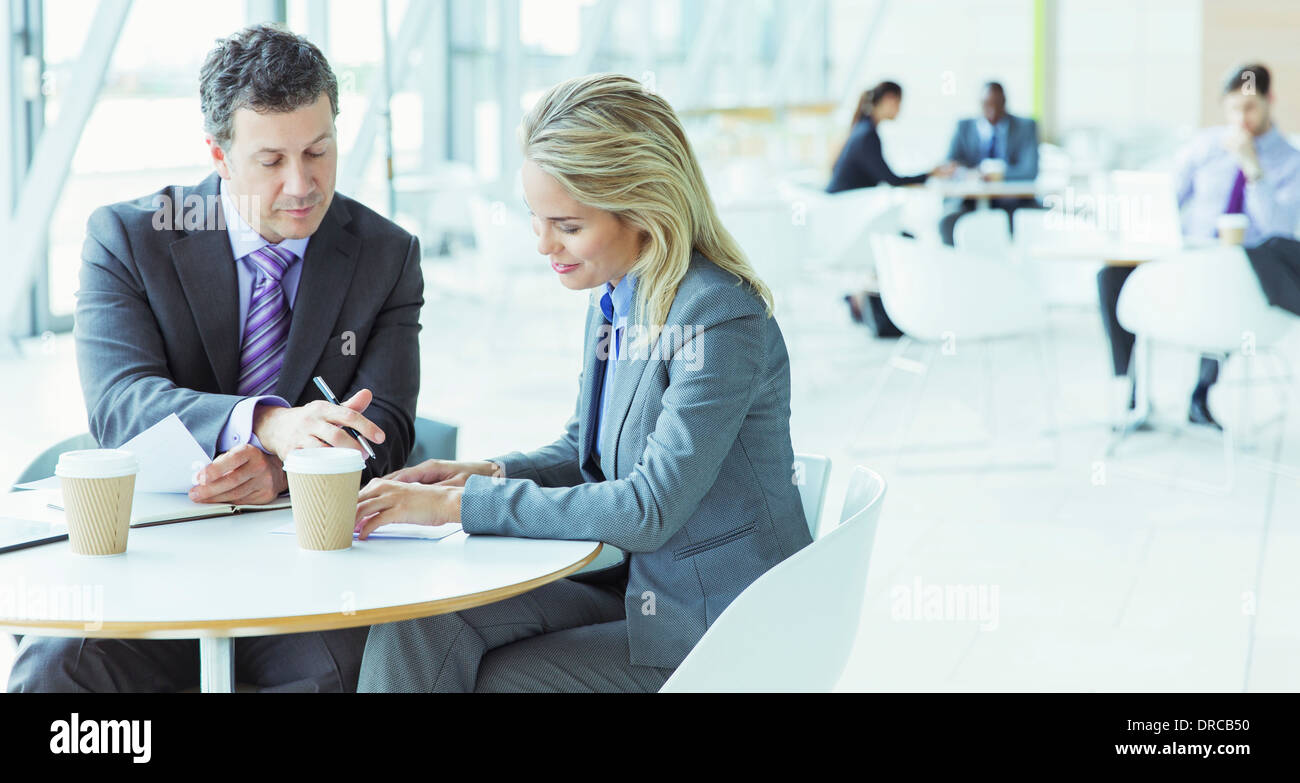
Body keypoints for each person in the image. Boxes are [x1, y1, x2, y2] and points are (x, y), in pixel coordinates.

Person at [352, 74, 812, 692]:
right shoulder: (615, 300)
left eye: (566, 225)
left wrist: (457, 509)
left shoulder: (717, 314)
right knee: (420, 626)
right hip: (639, 588)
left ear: (643, 206)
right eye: (537, 219)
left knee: (502, 680)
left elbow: (648, 508)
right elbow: (582, 454)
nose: (543, 244)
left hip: (715, 625)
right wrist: (481, 474)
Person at [7, 24, 423, 693]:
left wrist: (287, 473)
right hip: (148, 565)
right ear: (219, 155)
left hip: (305, 578)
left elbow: (392, 431)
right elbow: (121, 404)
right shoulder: (130, 239)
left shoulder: (385, 254)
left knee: (341, 673)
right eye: (271, 160)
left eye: (319, 150)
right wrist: (266, 424)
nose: (302, 183)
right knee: (55, 672)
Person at [1097, 64, 1300, 429]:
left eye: (1251, 107)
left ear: (1270, 101)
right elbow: (1167, 198)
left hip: (1242, 271)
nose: (1242, 118)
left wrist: (1252, 168)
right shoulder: (1204, 147)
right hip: (1188, 255)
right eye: (1234, 108)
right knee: (1112, 275)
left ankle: (1201, 393)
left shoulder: (1289, 160)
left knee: (1226, 284)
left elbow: (1280, 230)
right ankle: (1131, 393)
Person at [829, 81, 953, 325]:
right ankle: (890, 307)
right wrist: (931, 174)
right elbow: (890, 179)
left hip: (848, 215)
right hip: (848, 221)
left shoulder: (864, 131)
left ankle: (865, 298)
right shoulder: (867, 136)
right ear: (886, 100)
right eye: (898, 103)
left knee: (904, 237)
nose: (900, 110)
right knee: (905, 242)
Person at [938, 81, 1041, 245]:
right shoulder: (963, 127)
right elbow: (949, 166)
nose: (992, 110)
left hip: (1013, 203)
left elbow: (1030, 170)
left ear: (1005, 103)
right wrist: (971, 174)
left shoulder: (1025, 127)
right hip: (969, 203)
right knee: (947, 221)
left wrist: (995, 175)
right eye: (987, 104)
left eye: (997, 104)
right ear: (979, 104)